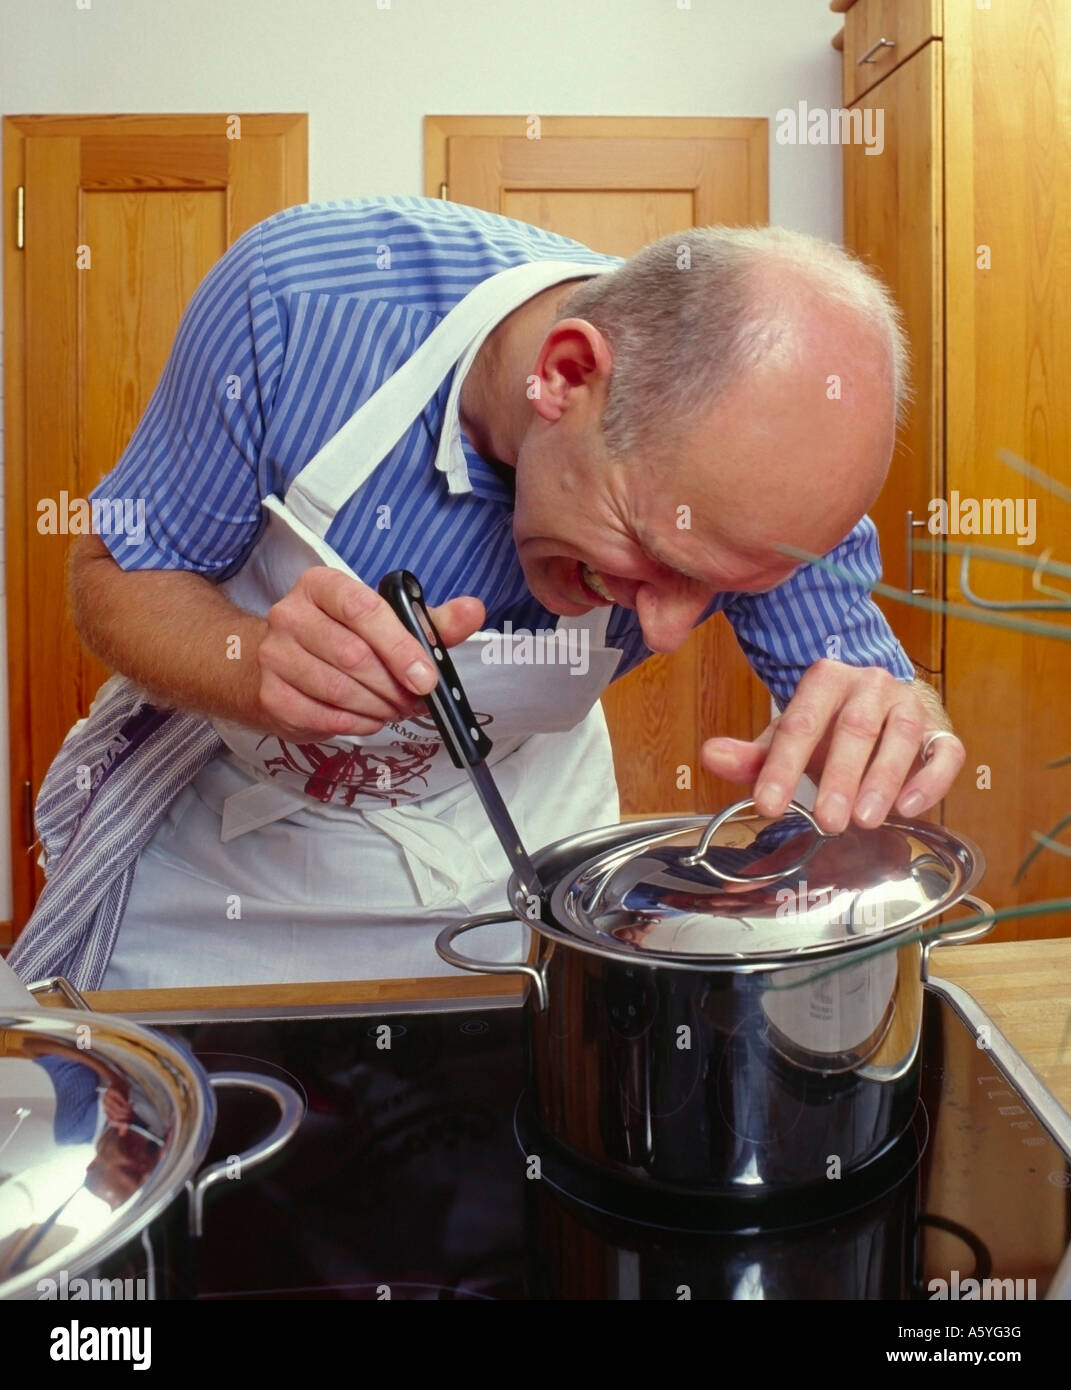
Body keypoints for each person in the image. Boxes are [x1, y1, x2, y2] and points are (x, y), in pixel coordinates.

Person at [10, 196, 964, 991]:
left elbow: (877, 704)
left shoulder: (758, 478)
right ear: (566, 373)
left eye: (721, 590)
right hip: (226, 862)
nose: (668, 631)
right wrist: (251, 660)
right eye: (649, 552)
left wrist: (900, 727)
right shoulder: (299, 304)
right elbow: (113, 578)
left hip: (515, 852)